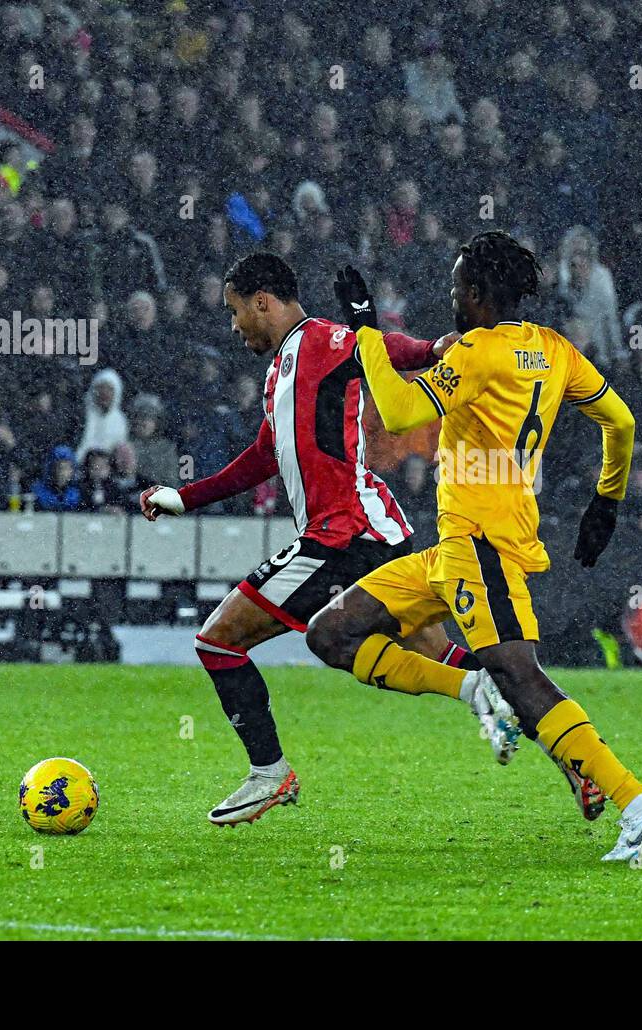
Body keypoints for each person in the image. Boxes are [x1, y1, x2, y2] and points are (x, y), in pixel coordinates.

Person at [307, 232, 642, 863]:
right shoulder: (553, 349)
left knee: (522, 678)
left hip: (482, 543)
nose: (453, 299)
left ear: (477, 295)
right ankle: (472, 688)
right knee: (332, 633)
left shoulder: (478, 352)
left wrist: (367, 331)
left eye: (457, 289)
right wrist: (606, 500)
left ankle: (638, 804)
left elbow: (397, 413)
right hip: (455, 546)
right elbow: (621, 422)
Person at [139, 252, 533, 826]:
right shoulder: (281, 370)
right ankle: (543, 731)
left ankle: (268, 772)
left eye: (234, 311)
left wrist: (432, 348)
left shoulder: (321, 338)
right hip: (378, 529)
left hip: (342, 534)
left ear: (263, 301)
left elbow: (392, 352)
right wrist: (186, 496)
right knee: (433, 652)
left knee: (218, 641)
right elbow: (262, 458)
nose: (233, 326)